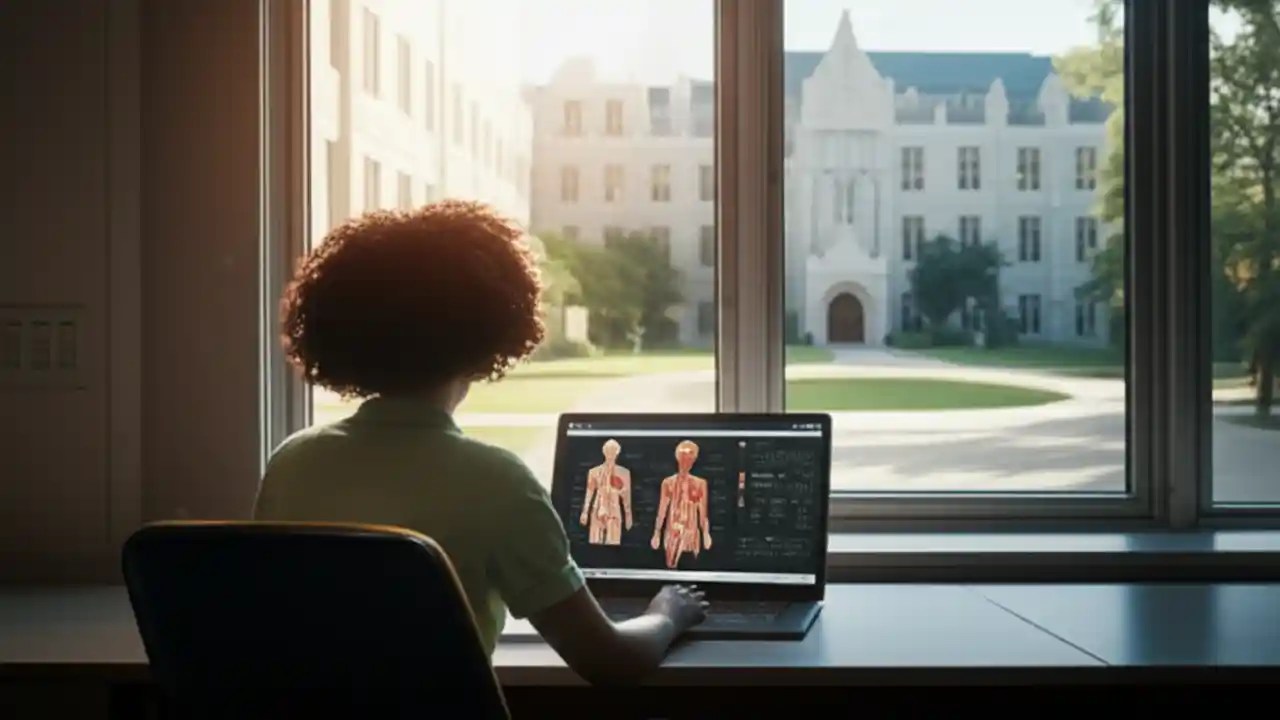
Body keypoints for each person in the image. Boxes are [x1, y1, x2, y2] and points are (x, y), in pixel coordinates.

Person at [254, 200, 706, 685]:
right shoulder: (497, 482)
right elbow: (612, 663)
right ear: (487, 335)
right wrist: (669, 612)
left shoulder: (293, 462)